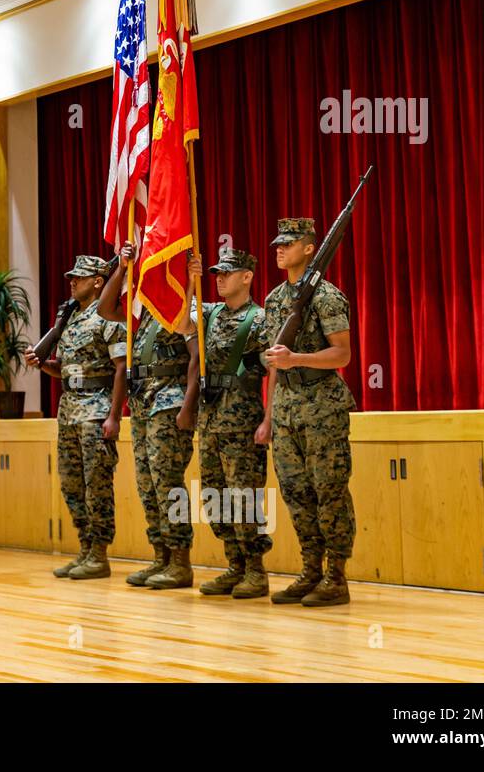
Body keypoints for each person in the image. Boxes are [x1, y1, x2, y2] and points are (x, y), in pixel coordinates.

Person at [256, 217, 356, 607]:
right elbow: (273, 364)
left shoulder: (327, 296)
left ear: (310, 248)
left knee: (328, 492)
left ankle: (336, 576)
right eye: (277, 243)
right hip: (286, 410)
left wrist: (296, 357)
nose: (279, 249)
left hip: (322, 408)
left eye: (289, 243)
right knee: (297, 494)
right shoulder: (274, 299)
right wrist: (268, 416)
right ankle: (311, 570)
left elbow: (342, 355)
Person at [98, 244, 200, 589]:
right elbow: (104, 307)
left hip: (169, 402)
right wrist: (123, 269)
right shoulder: (141, 310)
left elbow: (196, 358)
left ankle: (181, 561)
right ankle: (161, 556)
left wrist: (188, 407)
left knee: (167, 482)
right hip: (142, 402)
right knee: (147, 484)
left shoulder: (184, 304)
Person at [23, 255, 126, 580]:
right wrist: (42, 364)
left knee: (97, 484)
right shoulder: (67, 318)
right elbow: (64, 369)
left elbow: (122, 367)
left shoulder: (108, 316)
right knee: (72, 484)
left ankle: (99, 554)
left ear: (98, 281)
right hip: (68, 410)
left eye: (79, 278)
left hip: (96, 410)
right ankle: (84, 548)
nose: (72, 282)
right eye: (71, 278)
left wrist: (114, 416)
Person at [179, 250, 273, 598]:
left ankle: (256, 570)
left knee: (244, 496)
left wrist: (269, 418)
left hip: (242, 419)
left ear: (247, 277)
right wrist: (191, 281)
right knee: (214, 496)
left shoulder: (261, 318)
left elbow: (274, 367)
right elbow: (178, 322)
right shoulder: (210, 312)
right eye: (216, 274)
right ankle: (234, 566)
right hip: (211, 418)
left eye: (227, 274)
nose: (219, 279)